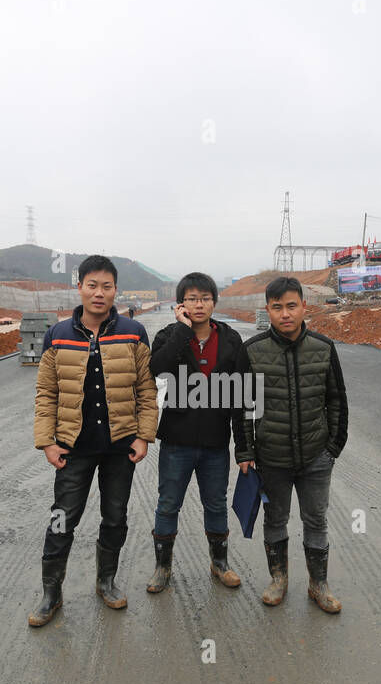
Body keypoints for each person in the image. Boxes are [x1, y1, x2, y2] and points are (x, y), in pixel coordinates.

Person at [30, 254, 158, 627]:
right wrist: (47, 442)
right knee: (61, 519)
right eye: (92, 285)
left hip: (120, 447)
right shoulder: (58, 335)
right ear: (80, 287)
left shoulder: (134, 332)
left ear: (116, 290)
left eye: (106, 286)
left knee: (115, 516)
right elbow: (46, 394)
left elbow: (147, 390)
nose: (99, 293)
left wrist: (144, 435)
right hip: (74, 448)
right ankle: (51, 594)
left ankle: (106, 581)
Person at [232, 276, 348, 613]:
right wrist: (245, 451)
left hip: (315, 457)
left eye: (291, 305)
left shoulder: (324, 348)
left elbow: (336, 400)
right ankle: (278, 579)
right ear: (267, 309)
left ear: (304, 307)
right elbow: (242, 406)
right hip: (272, 457)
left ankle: (318, 584)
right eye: (277, 307)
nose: (285, 313)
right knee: (275, 519)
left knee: (316, 521)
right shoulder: (252, 351)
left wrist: (333, 448)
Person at [146, 272, 248, 593]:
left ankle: (220, 564)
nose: (199, 304)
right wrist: (182, 330)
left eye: (204, 298)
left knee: (216, 504)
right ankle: (163, 567)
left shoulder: (231, 340)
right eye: (191, 298)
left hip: (215, 444)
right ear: (181, 304)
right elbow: (157, 368)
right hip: (177, 441)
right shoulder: (168, 336)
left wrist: (243, 449)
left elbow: (242, 398)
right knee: (167, 504)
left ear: (214, 302)